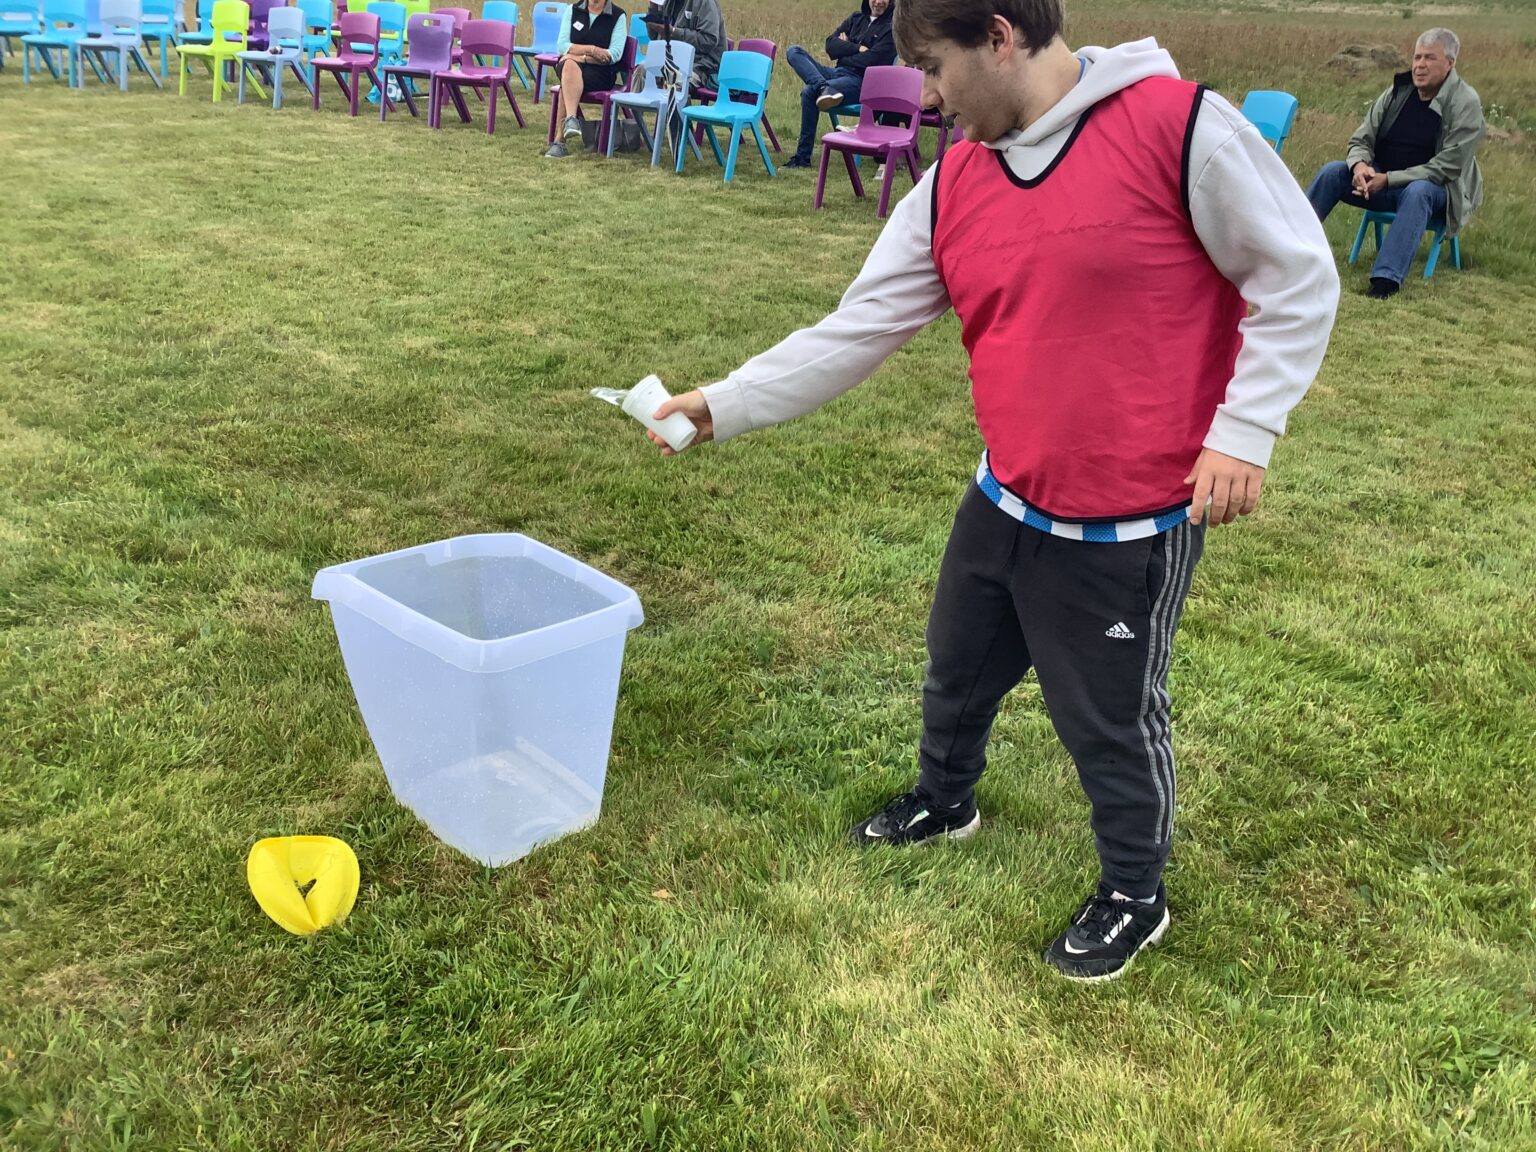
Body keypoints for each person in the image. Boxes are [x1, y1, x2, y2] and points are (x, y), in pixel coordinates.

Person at [644, 0, 1339, 981]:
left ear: (1003, 36)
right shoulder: (954, 182)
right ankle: (946, 799)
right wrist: (726, 402)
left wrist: (1244, 430)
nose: (927, 94)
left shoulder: (1179, 130)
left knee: (1108, 719)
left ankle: (1136, 895)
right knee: (957, 669)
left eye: (935, 67)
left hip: (1126, 526)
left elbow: (1300, 275)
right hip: (1005, 499)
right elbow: (859, 327)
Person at [1305, 28, 1484, 298]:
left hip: (1436, 192)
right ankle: (1289, 248)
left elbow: (1448, 166)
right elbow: (1361, 138)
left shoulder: (1464, 102)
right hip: (1380, 182)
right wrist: (1360, 166)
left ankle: (1385, 281)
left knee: (1418, 190)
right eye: (1417, 57)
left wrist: (1389, 179)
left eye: (1429, 58)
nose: (1420, 65)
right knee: (1332, 172)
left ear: (1450, 63)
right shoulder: (1397, 93)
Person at [782, 0, 898, 170]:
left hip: (860, 81)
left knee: (809, 92)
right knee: (794, 51)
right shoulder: (856, 18)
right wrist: (857, 48)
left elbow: (872, 60)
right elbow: (830, 45)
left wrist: (843, 52)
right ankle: (822, 87)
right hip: (836, 74)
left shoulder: (891, 29)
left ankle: (802, 158)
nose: (878, 2)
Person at [543, 0, 628, 159]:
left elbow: (613, 54)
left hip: (601, 73)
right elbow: (562, 45)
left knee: (567, 77)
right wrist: (592, 50)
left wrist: (579, 56)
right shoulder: (572, 10)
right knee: (568, 67)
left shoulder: (618, 16)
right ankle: (570, 121)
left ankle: (560, 141)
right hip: (572, 67)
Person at [640, 0, 725, 92]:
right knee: (642, 69)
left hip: (699, 65)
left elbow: (709, 40)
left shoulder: (705, 2)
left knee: (676, 81)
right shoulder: (668, 2)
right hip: (671, 60)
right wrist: (653, 8)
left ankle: (679, 105)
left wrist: (674, 32)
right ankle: (637, 106)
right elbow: (654, 37)